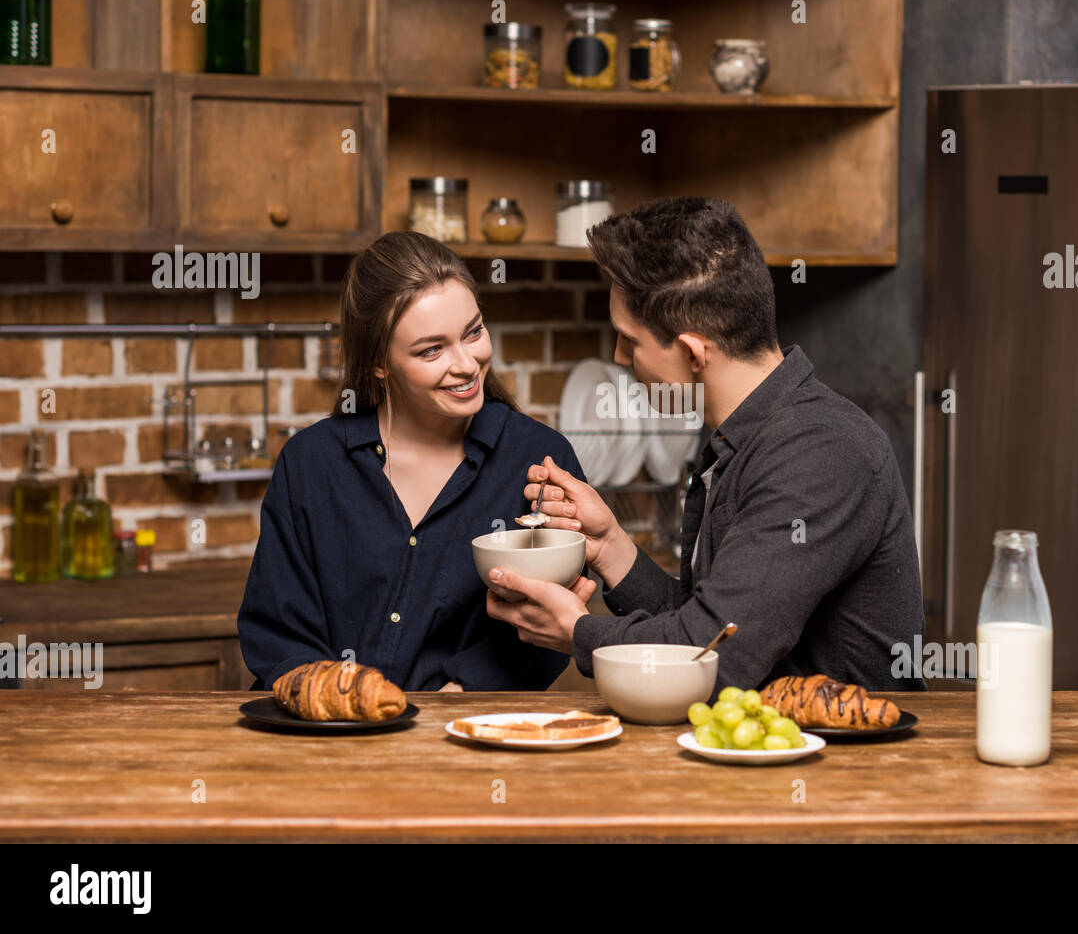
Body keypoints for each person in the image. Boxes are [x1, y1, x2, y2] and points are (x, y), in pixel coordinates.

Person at [482, 196, 926, 694]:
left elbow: (714, 656)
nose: (618, 357)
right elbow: (712, 623)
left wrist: (577, 633)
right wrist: (611, 547)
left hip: (844, 764)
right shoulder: (746, 436)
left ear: (692, 353)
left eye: (630, 341)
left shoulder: (821, 452)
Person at [238, 231, 593, 692]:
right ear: (379, 363)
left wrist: (462, 693)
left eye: (473, 332)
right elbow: (277, 633)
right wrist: (345, 704)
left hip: (465, 736)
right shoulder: (311, 464)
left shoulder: (539, 461)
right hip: (324, 736)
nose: (466, 364)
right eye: (432, 349)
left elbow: (551, 622)